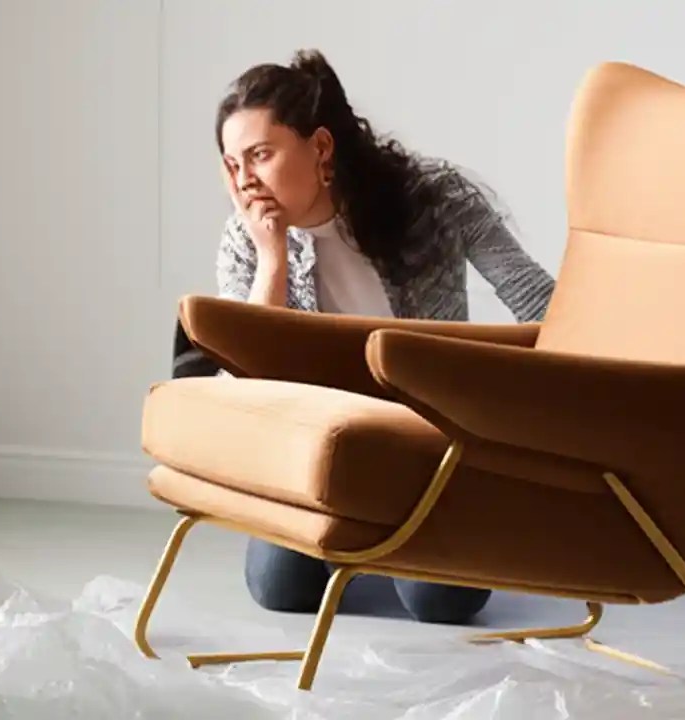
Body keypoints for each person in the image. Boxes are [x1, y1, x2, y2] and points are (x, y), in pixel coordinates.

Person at [206, 49, 556, 625]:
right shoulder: (246, 237)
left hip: (424, 443)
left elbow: (536, 299)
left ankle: (397, 540)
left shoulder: (433, 198)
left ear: (320, 148)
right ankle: (366, 543)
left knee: (443, 604)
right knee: (280, 591)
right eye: (232, 164)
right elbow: (244, 385)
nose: (245, 181)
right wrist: (272, 259)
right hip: (316, 451)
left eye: (260, 156)